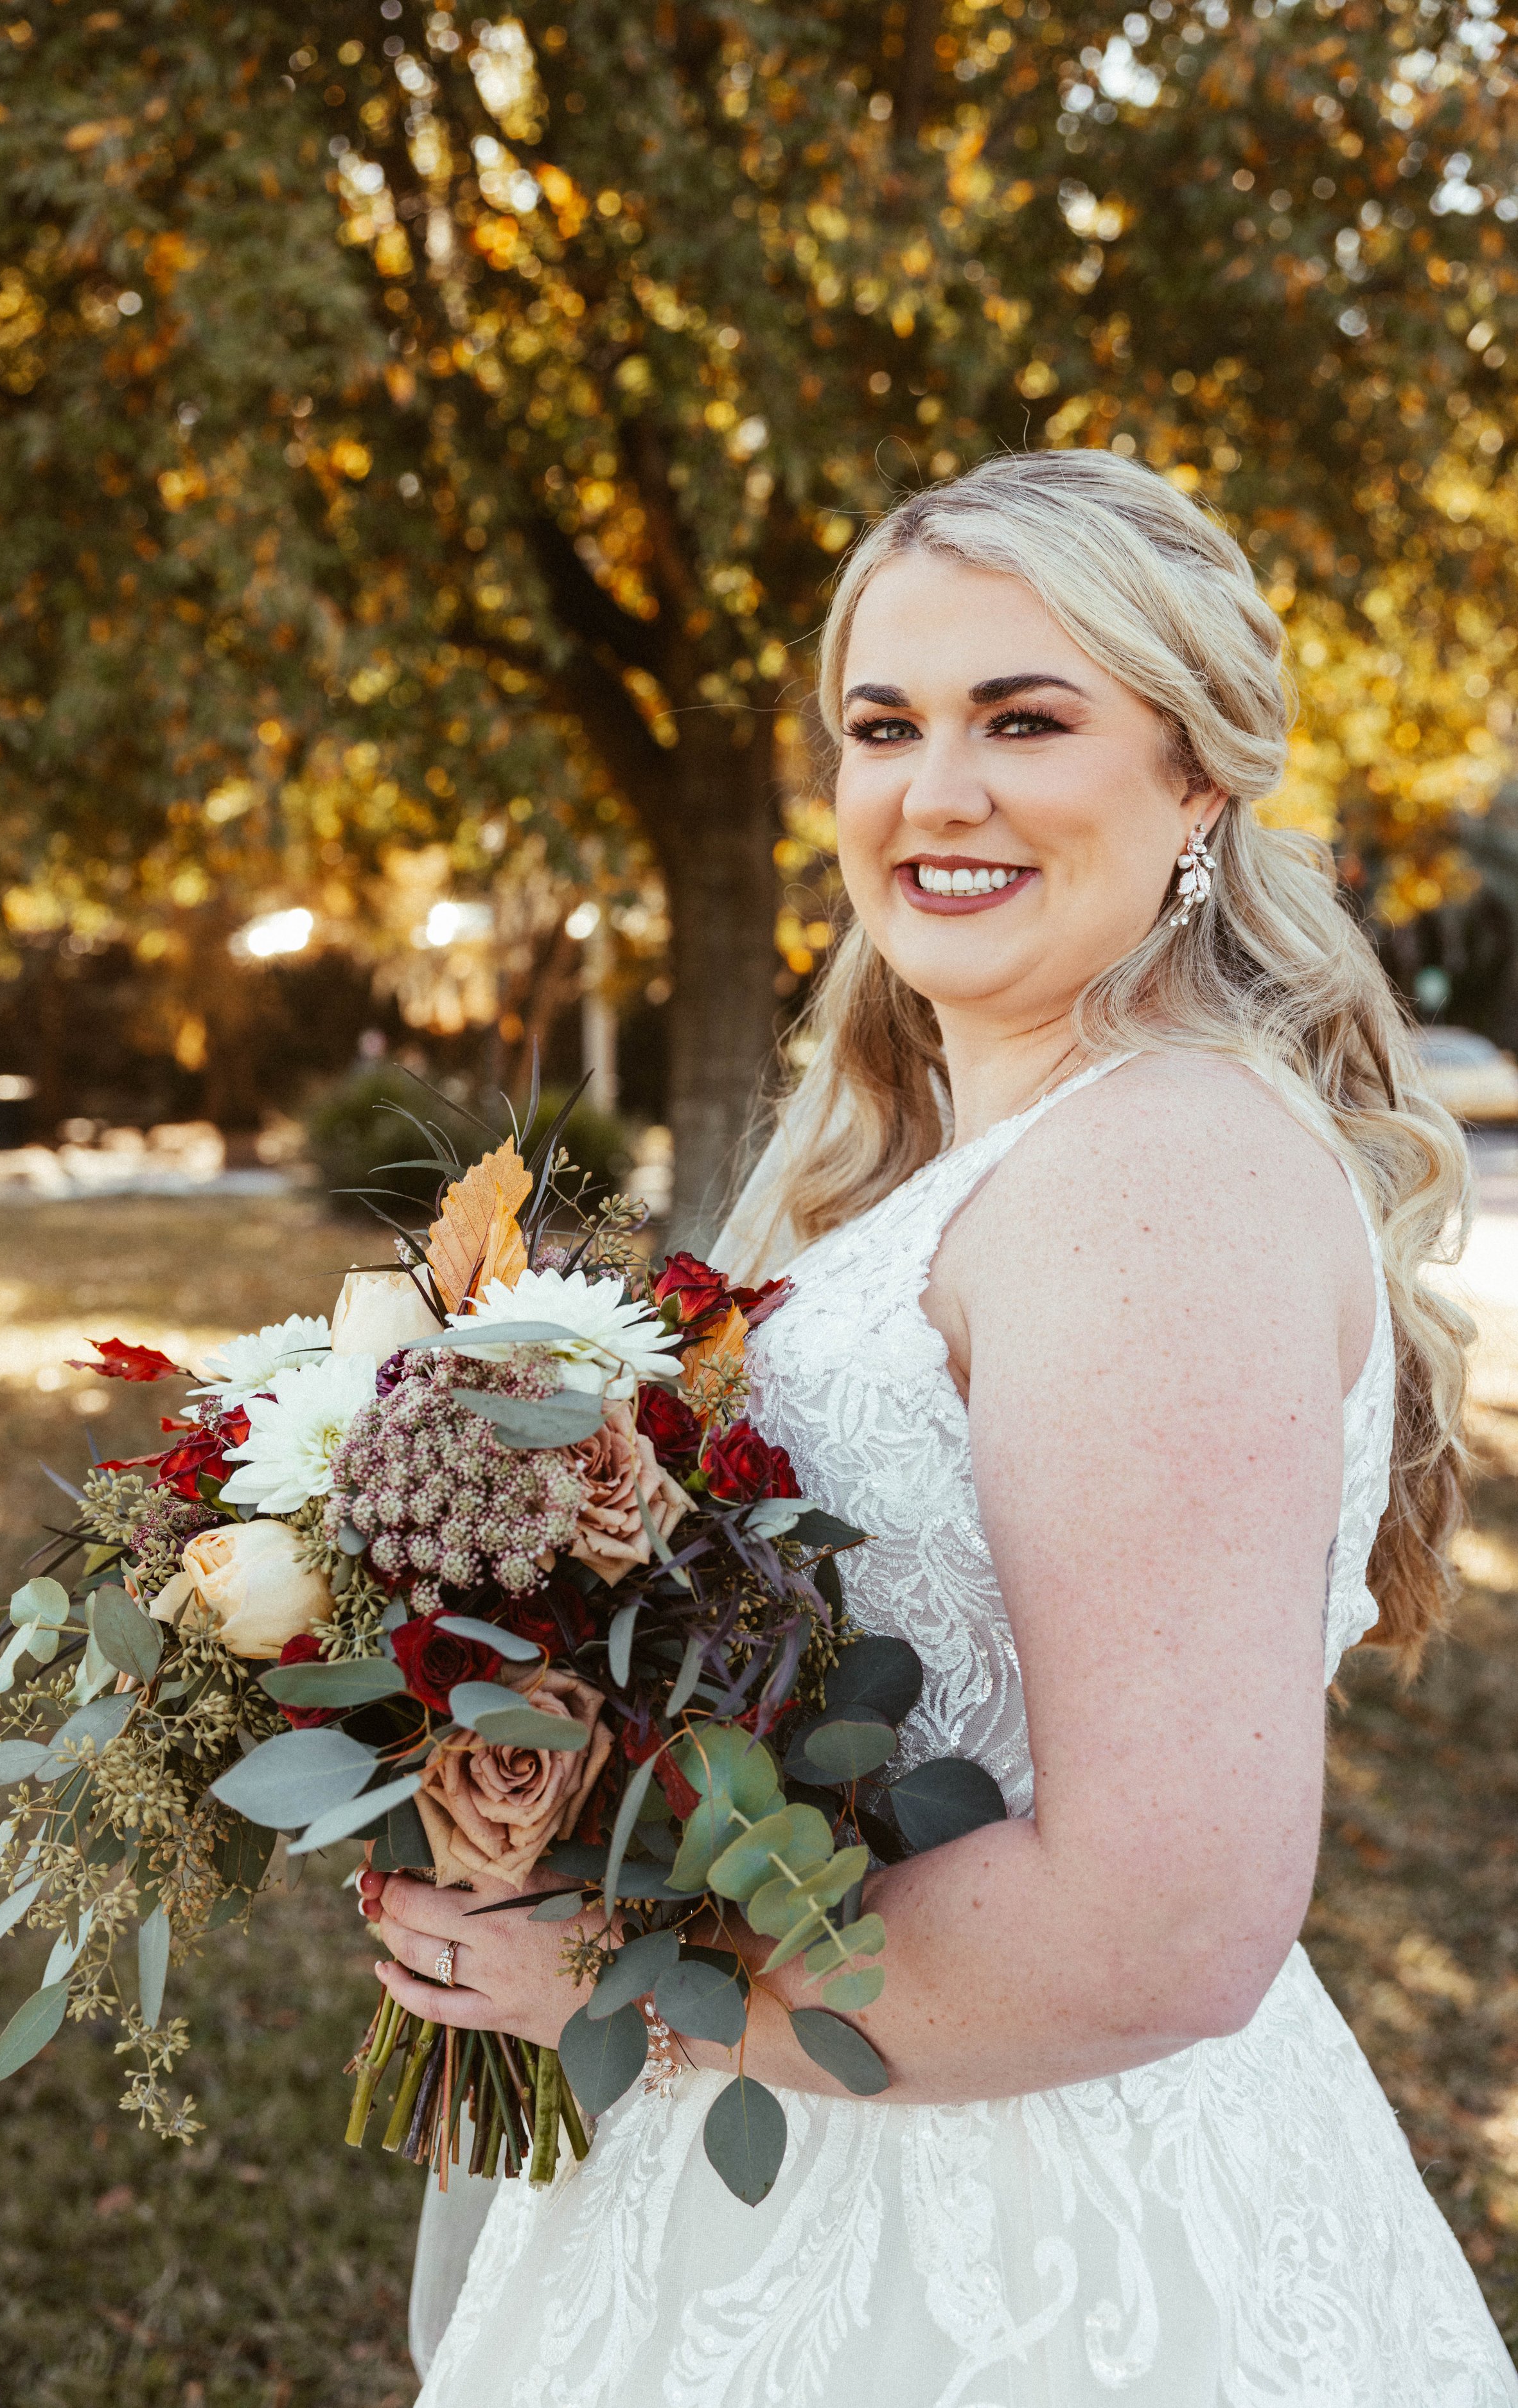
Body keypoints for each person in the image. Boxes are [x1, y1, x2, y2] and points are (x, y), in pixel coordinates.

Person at [362, 449, 1518, 2405]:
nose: (934, 790)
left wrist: (625, 1984)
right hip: (818, 2139)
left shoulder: (1158, 1173)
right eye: (882, 725)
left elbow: (1159, 1922)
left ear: (1198, 780)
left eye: (1025, 719)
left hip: (1024, 2255)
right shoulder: (975, 1169)